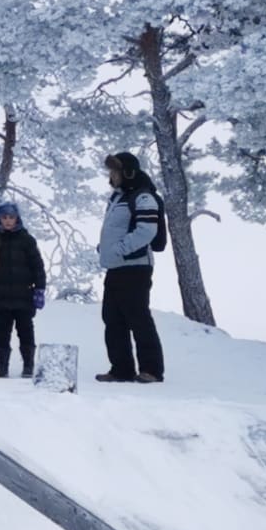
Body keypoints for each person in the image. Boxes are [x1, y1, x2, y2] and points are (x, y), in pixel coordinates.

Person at [96, 151, 165, 384]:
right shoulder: (118, 197)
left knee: (138, 318)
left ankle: (151, 370)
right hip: (116, 268)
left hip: (135, 268)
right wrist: (104, 249)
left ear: (127, 172)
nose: (111, 176)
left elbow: (147, 231)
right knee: (112, 318)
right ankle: (121, 369)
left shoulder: (143, 197)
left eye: (115, 171)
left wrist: (119, 249)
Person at [0, 201, 46, 378]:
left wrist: (39, 290)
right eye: (4, 217)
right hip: (0, 297)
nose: (8, 221)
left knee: (25, 331)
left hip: (23, 295)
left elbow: (38, 266)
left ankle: (28, 366)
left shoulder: (27, 240)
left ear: (17, 219)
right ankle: (2, 367)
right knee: (1, 332)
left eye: (11, 217)